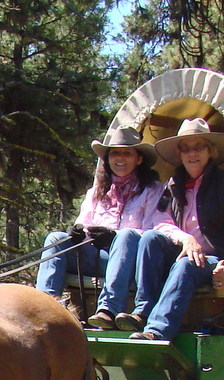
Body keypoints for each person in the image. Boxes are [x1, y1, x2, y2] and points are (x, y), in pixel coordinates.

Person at [128, 117, 224, 341]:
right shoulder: (173, 184)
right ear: (180, 154)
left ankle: (157, 331)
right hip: (183, 251)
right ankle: (142, 312)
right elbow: (159, 221)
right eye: (186, 149)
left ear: (210, 152)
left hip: (213, 259)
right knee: (150, 238)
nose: (192, 154)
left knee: (188, 263)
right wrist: (185, 239)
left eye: (198, 147)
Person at [34, 127, 169, 330]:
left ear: (139, 159)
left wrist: (112, 237)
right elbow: (84, 223)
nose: (120, 158)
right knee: (55, 238)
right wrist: (79, 233)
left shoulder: (153, 190)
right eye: (115, 153)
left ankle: (108, 309)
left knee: (126, 236)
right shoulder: (97, 191)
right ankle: (43, 306)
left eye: (127, 153)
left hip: (132, 262)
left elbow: (155, 230)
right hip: (98, 258)